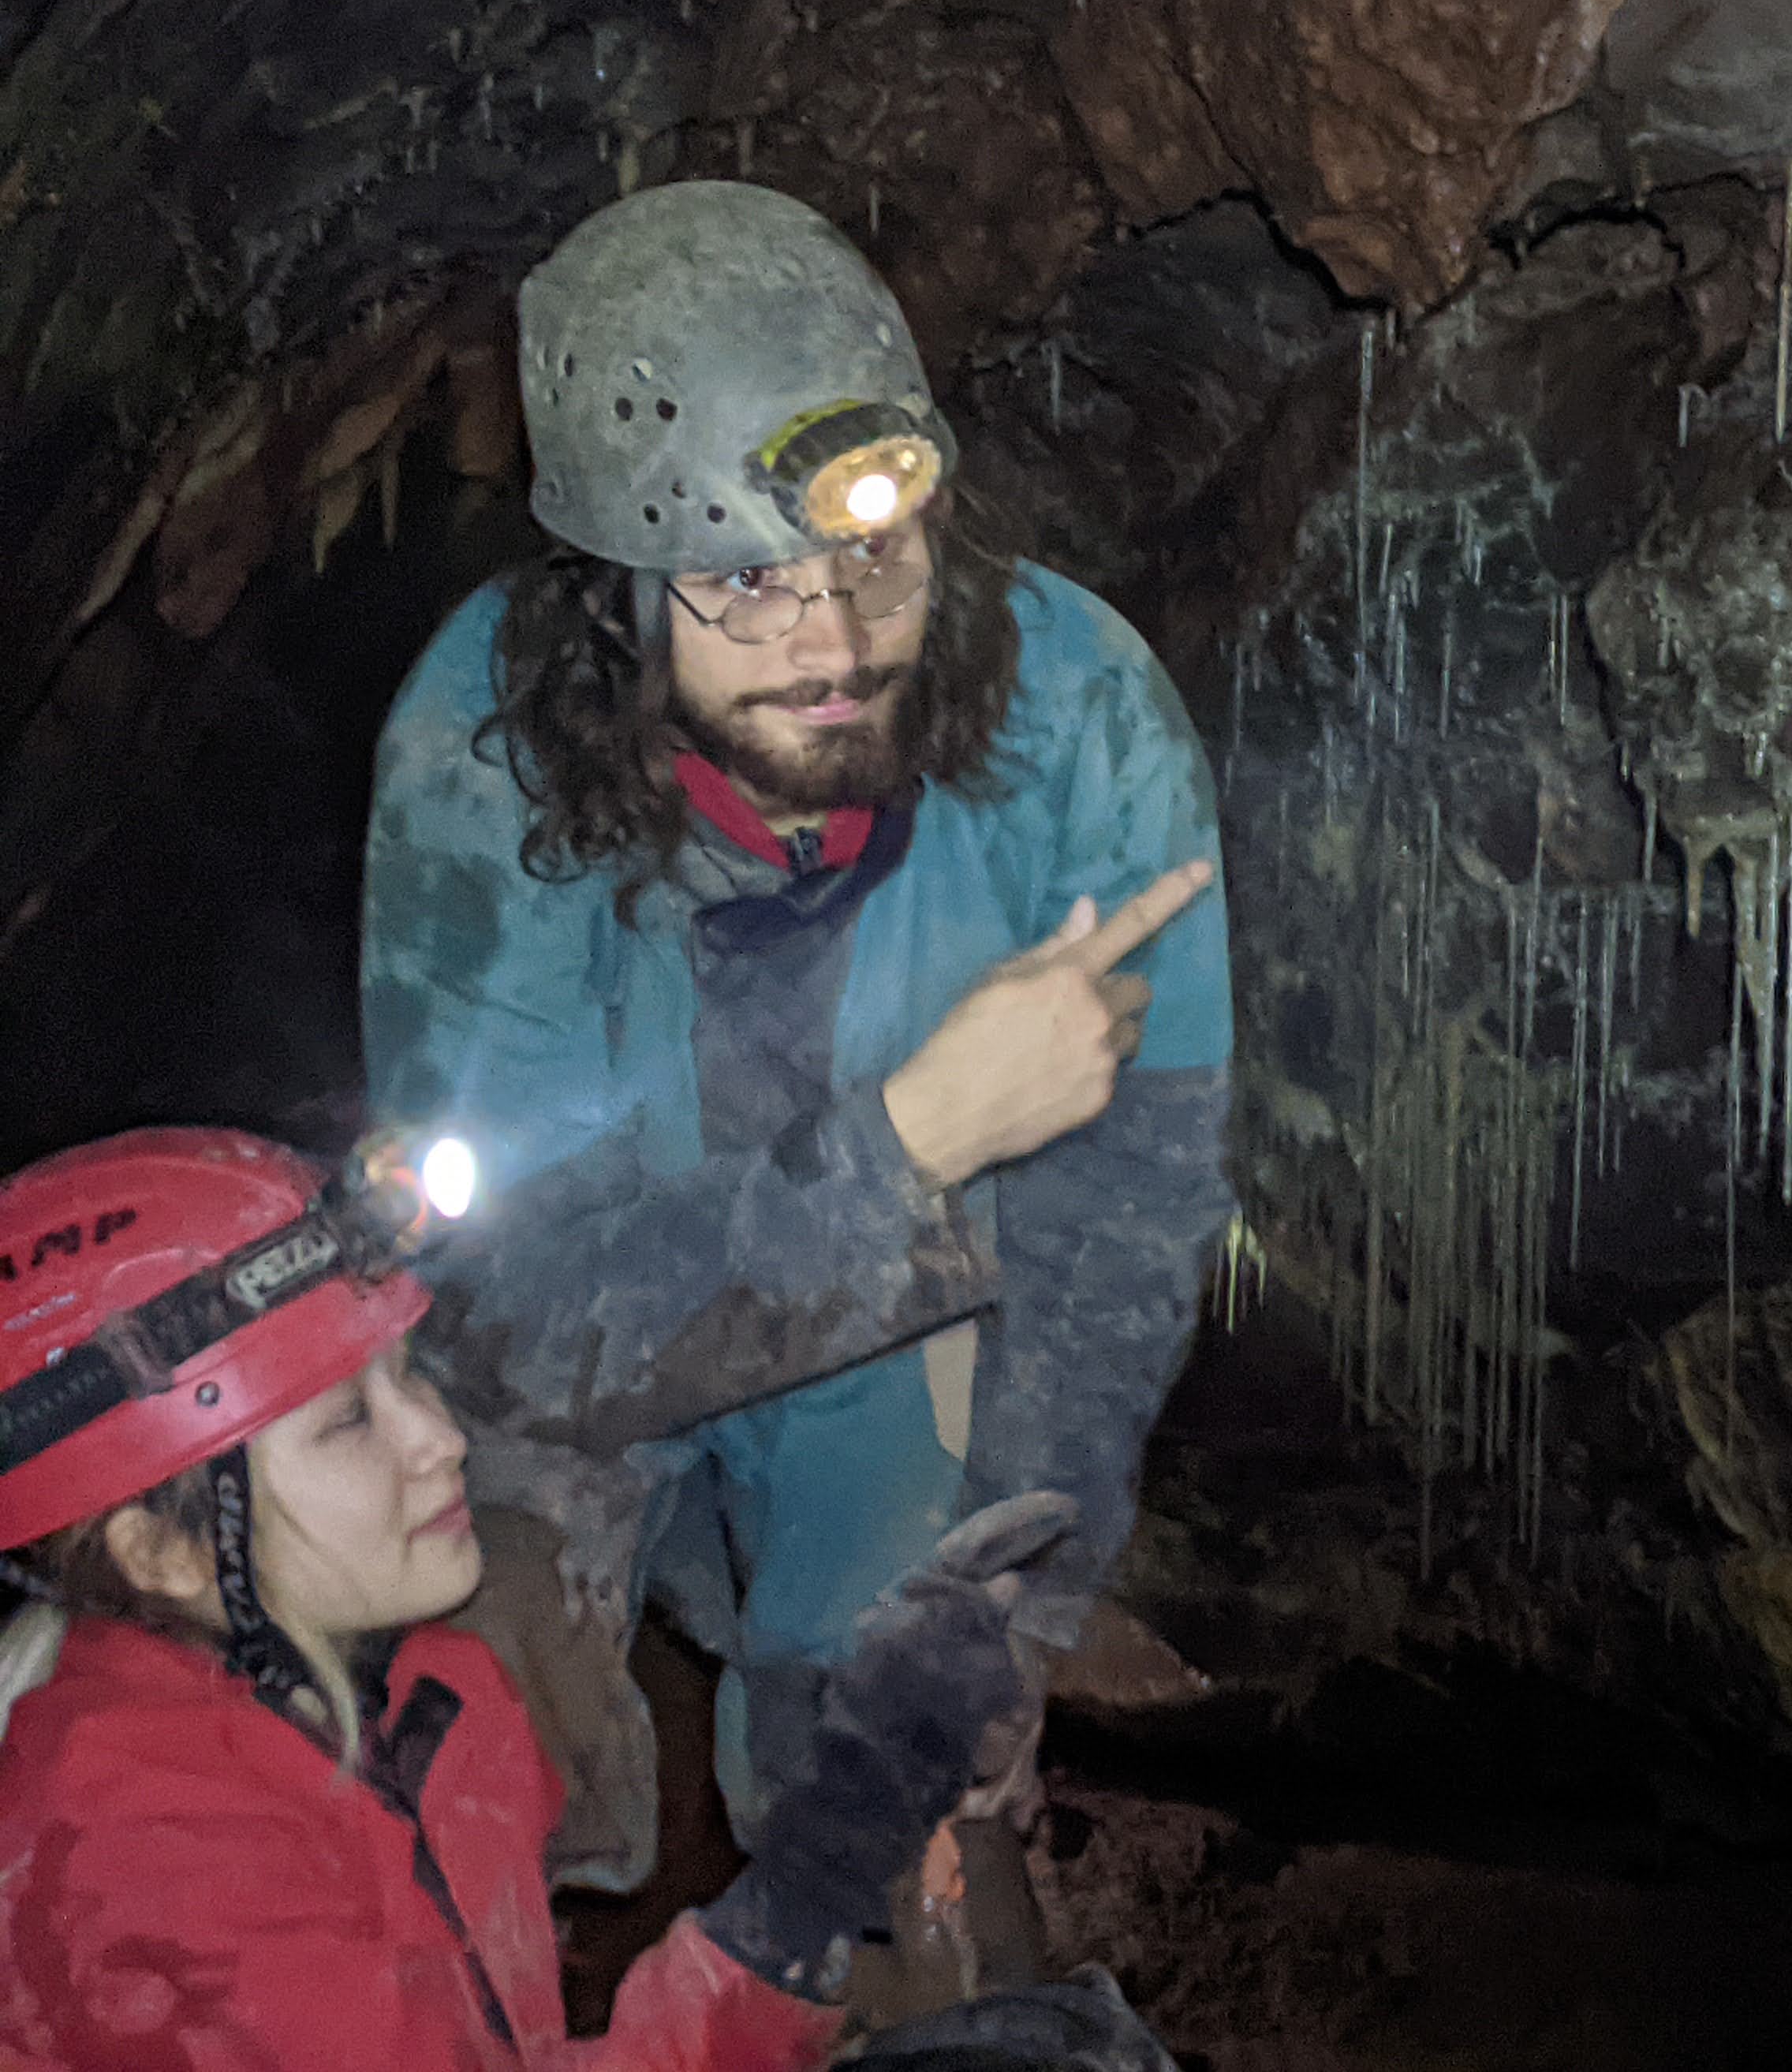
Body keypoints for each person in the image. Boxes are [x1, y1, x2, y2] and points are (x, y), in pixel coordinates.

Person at [359, 181, 1234, 1891]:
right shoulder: (482, 761)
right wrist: (906, 1145)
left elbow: (1130, 1216)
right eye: (746, 585)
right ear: (617, 598)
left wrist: (1023, 1594)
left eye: (870, 556)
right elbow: (506, 1312)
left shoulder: (1075, 712)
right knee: (452, 1715)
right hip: (584, 1330)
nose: (830, 643)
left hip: (895, 1335)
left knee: (909, 1804)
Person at [0, 1124, 1161, 2071]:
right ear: (160, 1551)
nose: (441, 1440)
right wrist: (815, 1870)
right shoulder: (148, 1864)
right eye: (349, 1422)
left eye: (408, 1377)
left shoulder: (418, 1700)